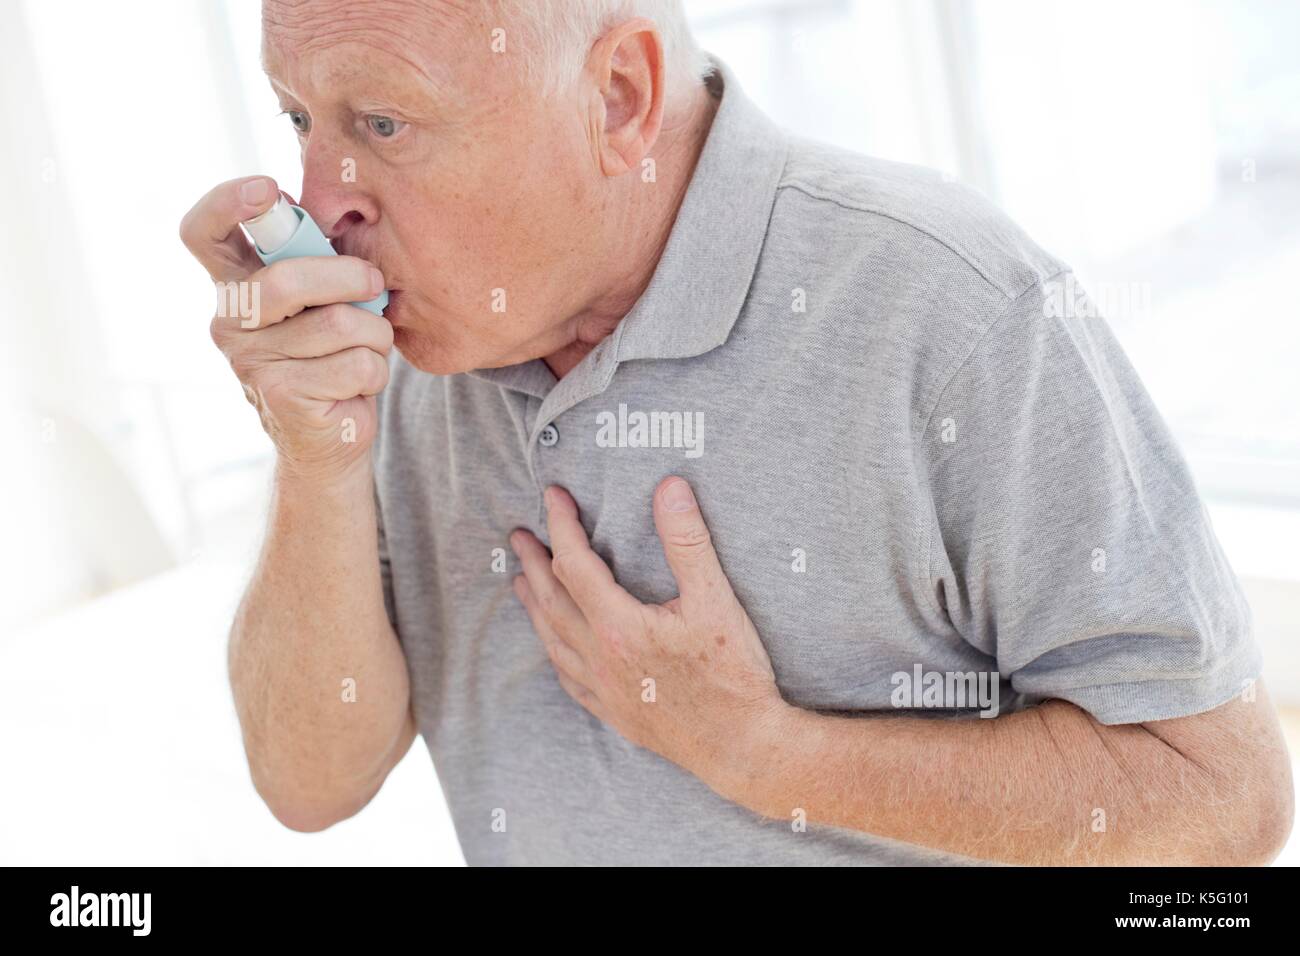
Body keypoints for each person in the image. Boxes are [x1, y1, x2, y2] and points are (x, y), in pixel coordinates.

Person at [179, 0, 1293, 865]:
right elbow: (308, 783)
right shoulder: (404, 346)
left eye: (382, 122)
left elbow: (1223, 795)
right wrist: (316, 457)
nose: (324, 202)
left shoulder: (947, 305)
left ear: (617, 98)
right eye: (298, 118)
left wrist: (768, 755)